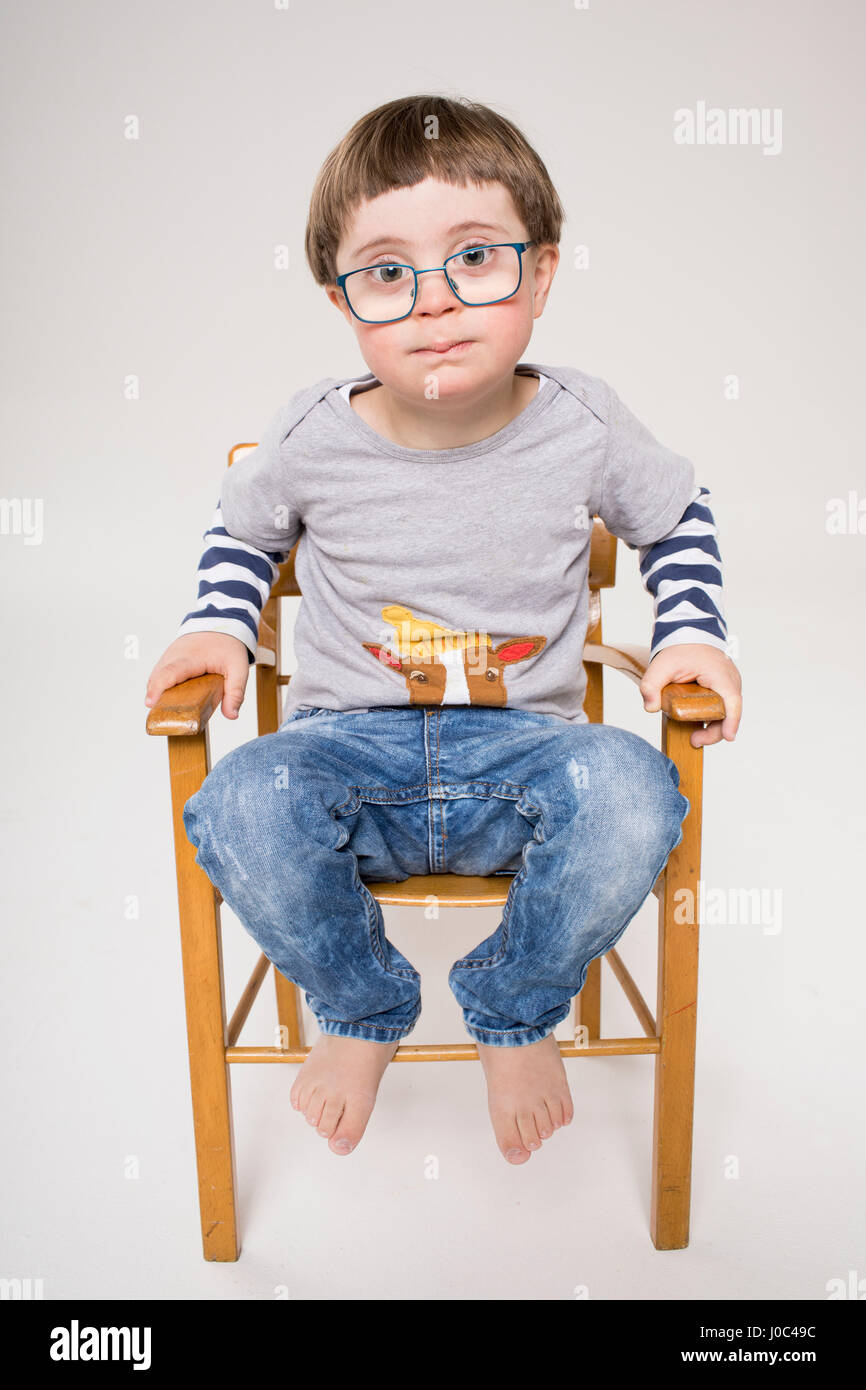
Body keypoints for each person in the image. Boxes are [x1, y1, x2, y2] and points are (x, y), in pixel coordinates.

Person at [145, 94, 742, 1167]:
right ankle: (360, 1003)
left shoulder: (583, 421)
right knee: (236, 797)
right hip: (346, 761)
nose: (431, 303)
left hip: (526, 762)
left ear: (542, 272)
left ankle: (515, 1007)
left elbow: (675, 514)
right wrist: (218, 626)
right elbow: (243, 532)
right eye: (385, 272)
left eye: (474, 257)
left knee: (634, 790)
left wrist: (691, 633)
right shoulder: (309, 432)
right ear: (341, 301)